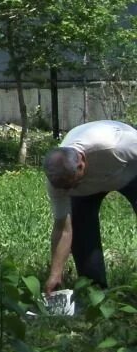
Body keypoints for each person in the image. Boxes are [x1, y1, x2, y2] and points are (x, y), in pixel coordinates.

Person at [43, 120, 137, 293]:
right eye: (66, 188)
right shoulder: (58, 182)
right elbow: (62, 229)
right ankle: (97, 294)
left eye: (73, 183)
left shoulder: (114, 146)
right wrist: (55, 274)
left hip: (131, 173)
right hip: (92, 188)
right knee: (81, 234)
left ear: (82, 162)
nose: (69, 190)